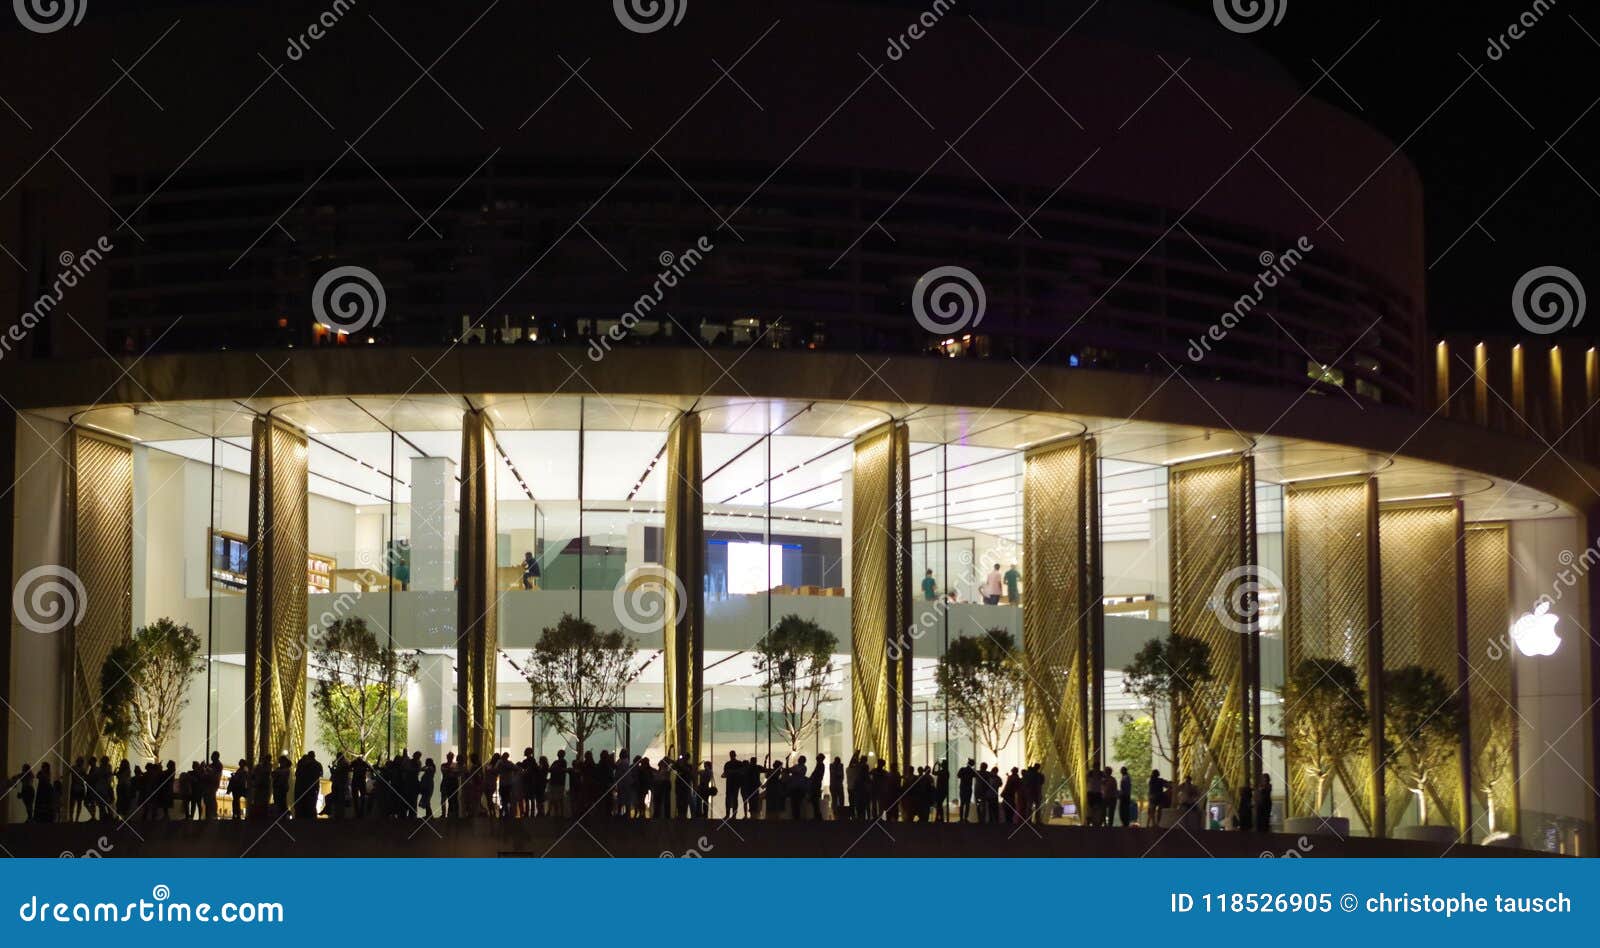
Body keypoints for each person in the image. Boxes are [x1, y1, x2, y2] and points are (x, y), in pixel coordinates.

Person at [829, 755, 845, 820]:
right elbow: (839, 775)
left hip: (834, 785)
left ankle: (837, 812)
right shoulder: (837, 766)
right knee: (837, 799)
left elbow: (839, 775)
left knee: (835, 799)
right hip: (836, 785)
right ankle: (838, 812)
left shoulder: (834, 766)